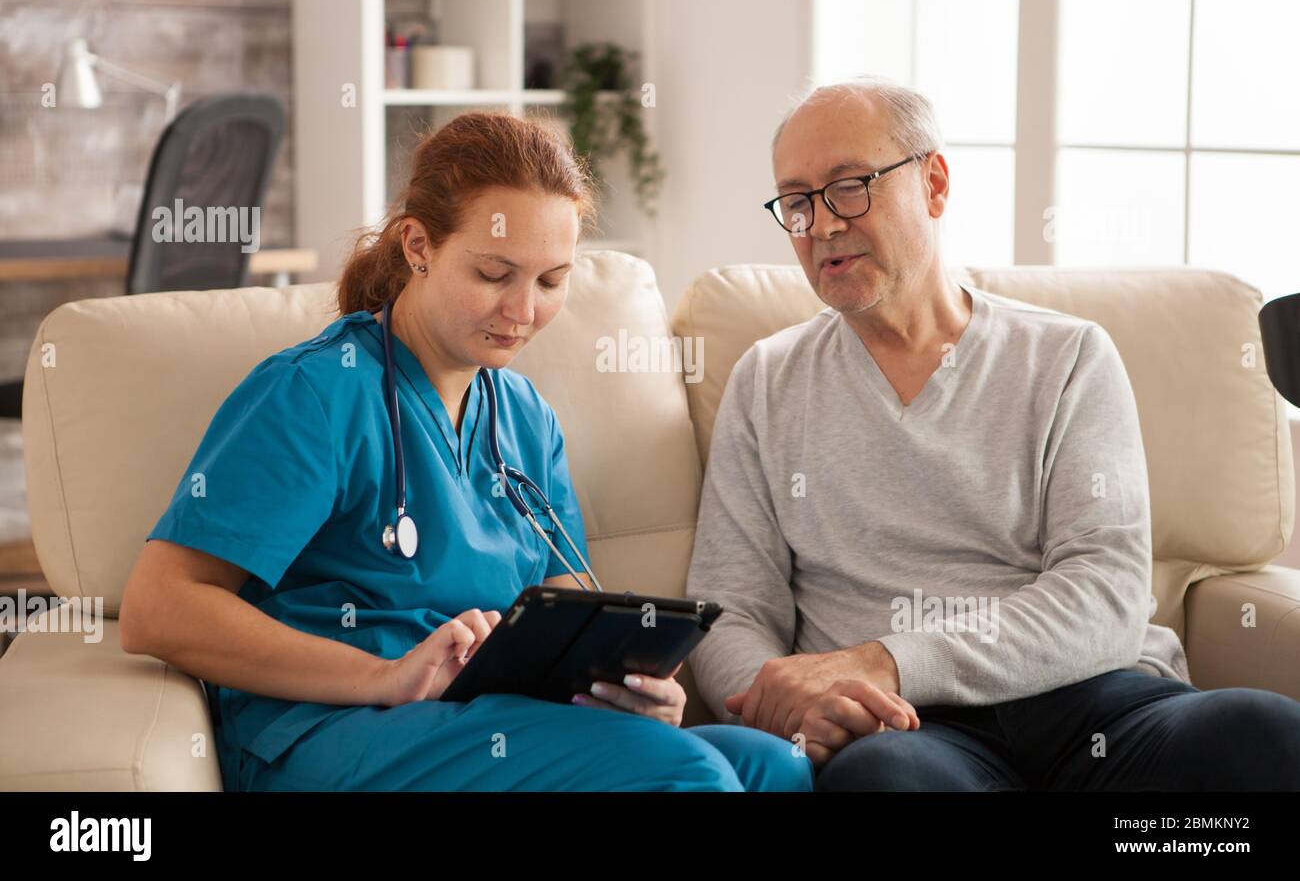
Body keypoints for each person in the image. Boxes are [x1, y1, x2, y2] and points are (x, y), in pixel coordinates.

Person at [120, 111, 812, 792]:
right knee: (688, 771)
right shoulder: (316, 394)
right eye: (494, 274)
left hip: (489, 723)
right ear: (418, 245)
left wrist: (629, 691)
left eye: (550, 281)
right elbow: (159, 608)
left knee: (769, 764)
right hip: (332, 729)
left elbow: (570, 609)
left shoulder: (524, 417)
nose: (523, 310)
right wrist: (383, 677)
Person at [686, 75, 1300, 790]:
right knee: (886, 783)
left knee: (1265, 733)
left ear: (934, 184)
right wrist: (785, 701)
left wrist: (888, 657)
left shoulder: (1067, 355)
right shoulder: (767, 381)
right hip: (909, 730)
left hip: (1096, 703)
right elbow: (731, 609)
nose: (820, 224)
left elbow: (1104, 594)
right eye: (796, 201)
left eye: (849, 186)